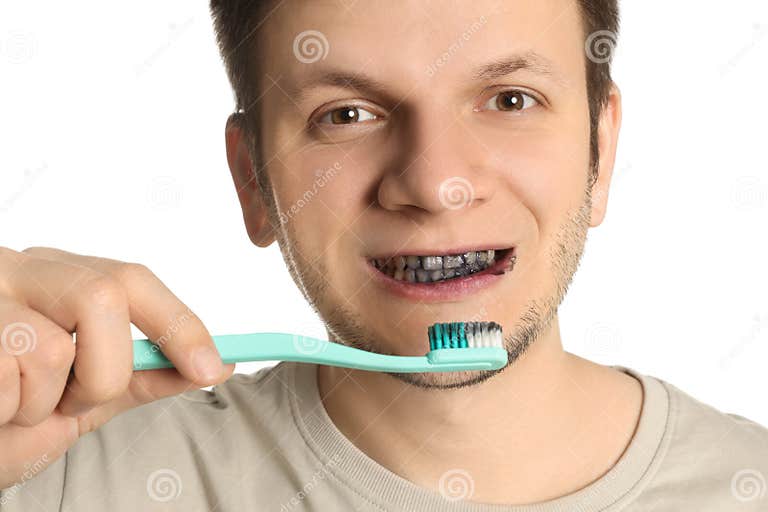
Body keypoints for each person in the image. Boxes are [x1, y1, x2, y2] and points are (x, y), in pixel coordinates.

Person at [1, 0, 767, 510]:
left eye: (509, 100)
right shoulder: (61, 476)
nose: (436, 183)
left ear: (601, 149)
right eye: (347, 114)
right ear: (253, 180)